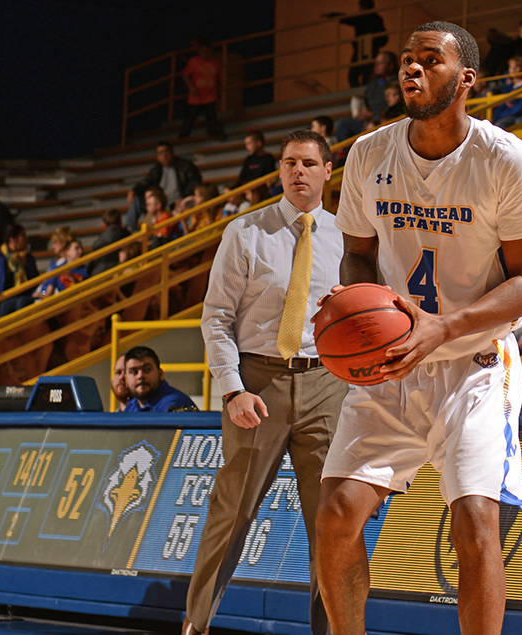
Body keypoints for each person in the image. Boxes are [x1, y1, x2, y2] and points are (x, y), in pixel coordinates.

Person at [316, 21, 522, 635]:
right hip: (391, 363)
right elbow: (358, 254)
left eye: (429, 59)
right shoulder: (369, 153)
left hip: (474, 365)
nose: (411, 69)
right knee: (336, 514)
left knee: (474, 522)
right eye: (406, 60)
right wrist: (353, 301)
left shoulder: (506, 159)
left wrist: (443, 328)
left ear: (466, 78)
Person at [182, 130, 346, 635]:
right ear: (279, 170)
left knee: (331, 522)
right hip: (258, 382)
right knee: (232, 511)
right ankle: (196, 625)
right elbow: (216, 317)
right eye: (290, 162)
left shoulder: (349, 236)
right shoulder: (245, 231)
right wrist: (232, 389)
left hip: (327, 382)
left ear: (327, 171)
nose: (298, 171)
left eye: (309, 163)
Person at [126, 141, 203, 232]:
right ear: (157, 157)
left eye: (166, 151)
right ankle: (129, 229)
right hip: (160, 202)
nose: (164, 155)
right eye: (160, 153)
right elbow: (146, 182)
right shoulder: (156, 169)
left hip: (178, 202)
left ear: (172, 152)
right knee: (137, 201)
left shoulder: (185, 165)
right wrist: (134, 190)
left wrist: (183, 197)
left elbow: (194, 182)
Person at [121, 346, 197, 413]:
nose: (140, 376)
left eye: (147, 370)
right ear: (126, 379)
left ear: (160, 374)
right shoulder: (132, 405)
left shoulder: (174, 403)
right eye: (134, 372)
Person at [0, 224, 39, 317]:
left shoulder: (29, 258)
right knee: (6, 306)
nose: (26, 239)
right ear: (12, 239)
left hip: (27, 296)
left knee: (22, 302)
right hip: (5, 299)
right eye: (23, 236)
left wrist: (41, 293)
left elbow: (37, 282)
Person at [179, 40, 224, 139]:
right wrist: (191, 87)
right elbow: (185, 74)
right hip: (196, 96)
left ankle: (213, 133)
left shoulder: (215, 62)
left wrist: (219, 92)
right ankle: (183, 136)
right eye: (203, 51)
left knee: (211, 117)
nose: (205, 54)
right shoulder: (194, 61)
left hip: (210, 95)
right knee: (190, 117)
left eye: (207, 51)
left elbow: (218, 78)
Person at [90, 209, 131, 277]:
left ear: (103, 224)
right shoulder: (129, 236)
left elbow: (91, 264)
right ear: (121, 222)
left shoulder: (98, 242)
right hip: (125, 273)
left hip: (100, 275)